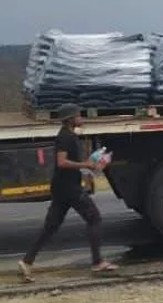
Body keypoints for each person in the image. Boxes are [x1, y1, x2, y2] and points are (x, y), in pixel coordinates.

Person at [18, 103, 118, 282]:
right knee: (94, 218)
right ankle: (97, 262)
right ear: (71, 119)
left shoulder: (68, 135)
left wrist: (89, 165)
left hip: (62, 186)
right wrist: (86, 164)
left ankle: (27, 261)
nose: (81, 118)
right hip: (69, 188)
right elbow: (62, 162)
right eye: (78, 115)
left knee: (51, 226)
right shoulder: (66, 137)